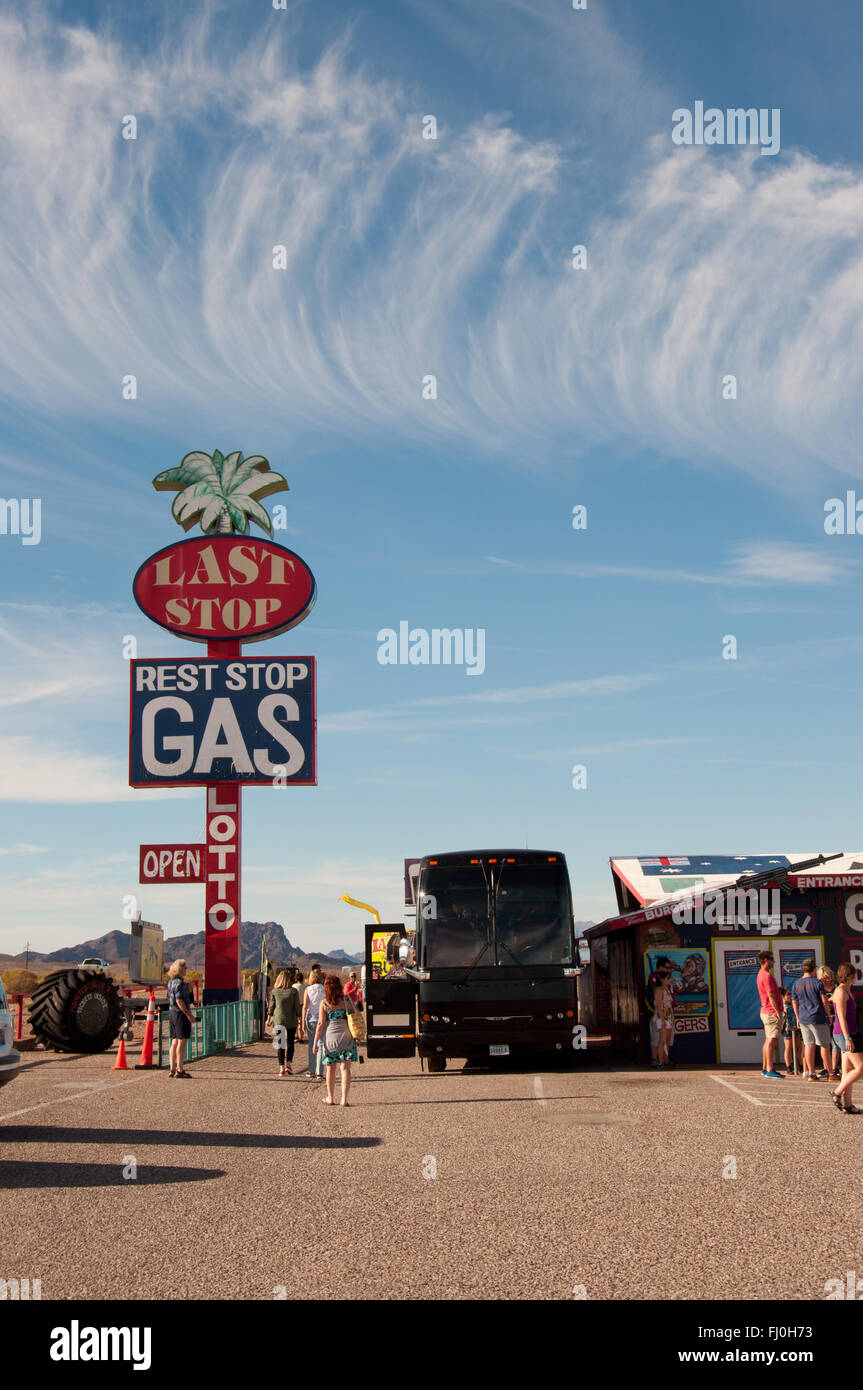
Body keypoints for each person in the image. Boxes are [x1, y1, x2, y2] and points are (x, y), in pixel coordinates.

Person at [313, 973, 357, 1106]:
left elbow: (320, 1024)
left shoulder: (324, 1003)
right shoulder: (346, 1000)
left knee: (330, 1068)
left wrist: (315, 1042)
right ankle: (344, 1099)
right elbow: (354, 1015)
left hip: (330, 1037)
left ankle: (330, 1097)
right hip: (346, 1036)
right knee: (345, 1068)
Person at [829, 962, 863, 1113]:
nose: (856, 977)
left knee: (848, 1069)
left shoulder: (846, 990)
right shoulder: (841, 991)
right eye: (854, 974)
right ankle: (837, 1092)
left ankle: (848, 1105)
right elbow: (841, 1017)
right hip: (844, 1034)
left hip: (851, 1032)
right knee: (860, 1068)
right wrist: (848, 1038)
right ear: (849, 976)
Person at [791, 959, 832, 1080]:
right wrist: (828, 1015)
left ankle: (811, 1073)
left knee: (809, 1045)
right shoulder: (817, 982)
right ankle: (831, 1073)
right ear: (814, 969)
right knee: (824, 1045)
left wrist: (797, 1017)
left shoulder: (797, 984)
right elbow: (824, 1000)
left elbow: (794, 1002)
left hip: (803, 1018)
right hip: (817, 1017)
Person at [268, 969, 301, 1076]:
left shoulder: (274, 991)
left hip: (278, 1020)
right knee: (290, 1043)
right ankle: (289, 1065)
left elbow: (271, 1007)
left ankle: (281, 1068)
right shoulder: (293, 992)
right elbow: (297, 1007)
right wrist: (300, 1017)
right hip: (291, 1020)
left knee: (280, 1044)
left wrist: (268, 1018)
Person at [166, 959, 196, 1078]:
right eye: (184, 967)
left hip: (172, 1013)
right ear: (180, 969)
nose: (186, 969)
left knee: (174, 1040)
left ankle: (172, 1068)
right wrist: (189, 1014)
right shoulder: (180, 983)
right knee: (182, 1042)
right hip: (181, 1014)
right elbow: (179, 1001)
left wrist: (189, 991)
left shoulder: (170, 982)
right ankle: (180, 1068)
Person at [756, 951, 784, 1078]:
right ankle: (769, 1068)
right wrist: (777, 1011)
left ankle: (765, 1067)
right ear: (766, 960)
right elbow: (771, 994)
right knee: (772, 1040)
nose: (774, 962)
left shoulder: (760, 974)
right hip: (771, 1012)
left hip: (766, 1011)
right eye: (772, 959)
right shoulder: (766, 976)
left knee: (768, 1040)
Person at [818, 966, 842, 1080]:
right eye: (824, 978)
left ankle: (834, 1067)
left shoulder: (836, 988)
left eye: (829, 977)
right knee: (824, 1044)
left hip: (836, 1018)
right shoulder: (819, 988)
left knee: (836, 1044)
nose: (827, 980)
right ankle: (826, 1068)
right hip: (824, 1019)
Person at [301, 967, 325, 1079]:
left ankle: (311, 1070)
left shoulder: (308, 989)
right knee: (321, 1044)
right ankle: (320, 1071)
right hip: (322, 1019)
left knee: (311, 1044)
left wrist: (302, 1022)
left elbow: (305, 1007)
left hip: (310, 1019)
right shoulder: (324, 989)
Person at [653, 964, 675, 1069]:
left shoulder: (666, 989)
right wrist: (662, 1020)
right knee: (662, 1041)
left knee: (667, 1041)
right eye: (667, 978)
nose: (669, 980)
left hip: (668, 1016)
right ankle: (660, 1062)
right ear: (662, 979)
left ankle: (666, 1060)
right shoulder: (659, 990)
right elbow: (658, 1006)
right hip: (662, 1017)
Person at [781, 987, 803, 1074]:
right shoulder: (784, 1007)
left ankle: (800, 1065)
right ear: (783, 996)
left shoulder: (792, 1005)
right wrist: (785, 1026)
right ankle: (788, 1066)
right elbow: (784, 1018)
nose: (790, 996)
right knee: (788, 1047)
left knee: (800, 1046)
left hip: (795, 1027)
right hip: (788, 1029)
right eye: (788, 994)